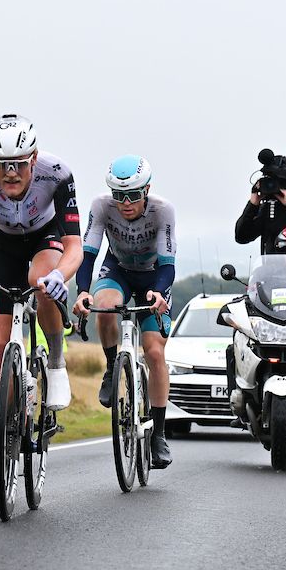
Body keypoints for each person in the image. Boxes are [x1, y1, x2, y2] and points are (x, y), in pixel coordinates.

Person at [0, 114, 83, 489]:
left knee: (40, 282)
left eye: (18, 164)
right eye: (1, 165)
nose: (10, 173)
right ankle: (0, 444)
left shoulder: (58, 173)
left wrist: (60, 275)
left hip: (46, 237)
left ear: (33, 159)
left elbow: (75, 246)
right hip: (2, 244)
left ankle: (57, 361)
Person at [73, 155, 176, 469]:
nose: (126, 203)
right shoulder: (101, 206)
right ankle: (110, 367)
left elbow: (168, 264)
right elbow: (87, 254)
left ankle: (158, 434)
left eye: (133, 195)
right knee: (105, 305)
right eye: (119, 196)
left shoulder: (163, 210)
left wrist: (158, 292)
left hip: (153, 275)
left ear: (147, 190)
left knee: (155, 353)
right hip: (117, 269)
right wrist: (82, 292)